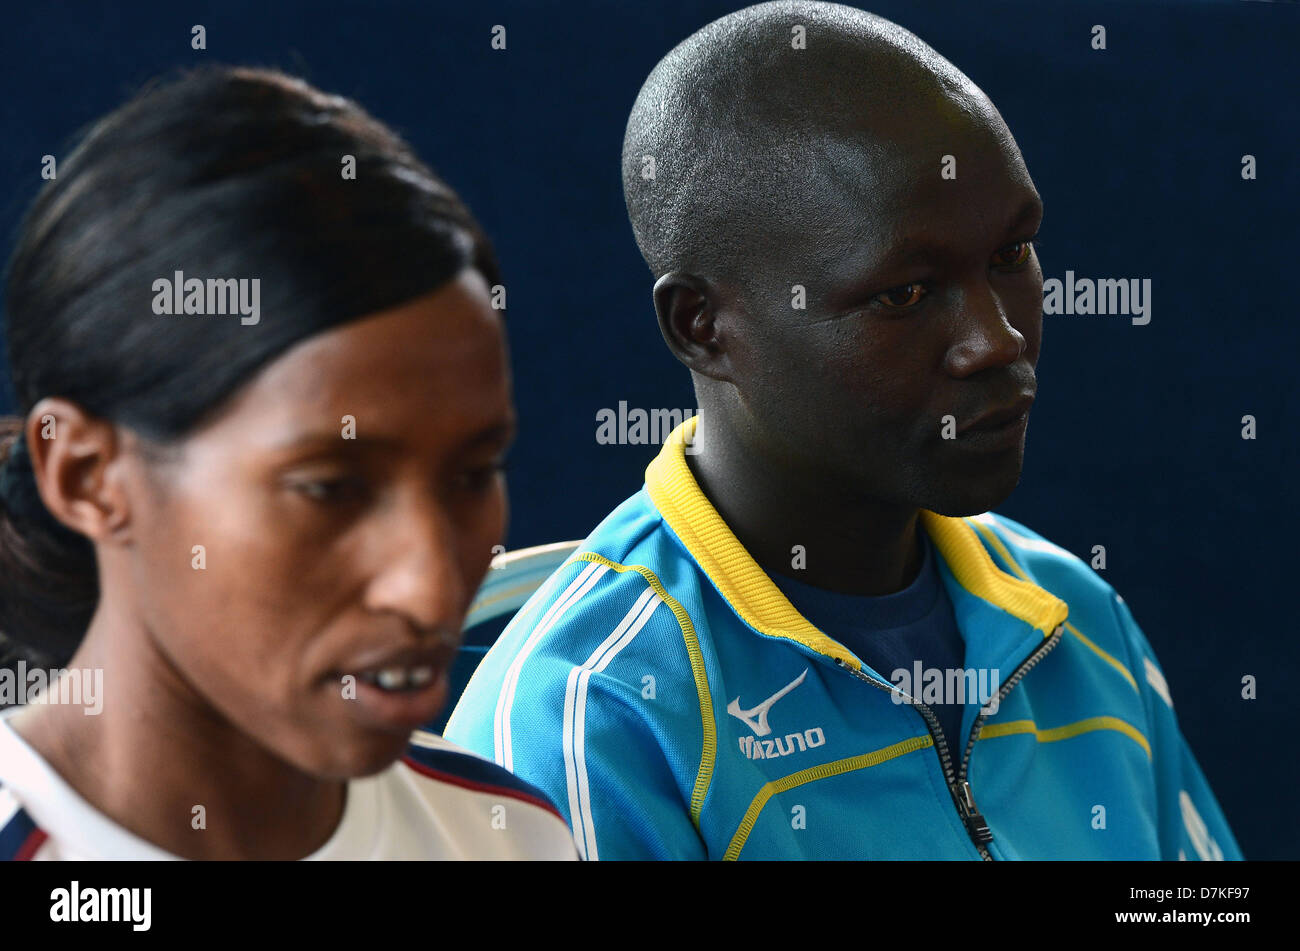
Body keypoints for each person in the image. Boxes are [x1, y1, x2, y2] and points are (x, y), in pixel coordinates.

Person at [443, 1, 1242, 860]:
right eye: (903, 292)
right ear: (702, 327)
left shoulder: (1079, 622)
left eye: (1010, 256)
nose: (997, 340)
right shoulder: (594, 716)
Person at [0, 66, 576, 860]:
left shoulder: (509, 836)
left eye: (472, 475)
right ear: (88, 476)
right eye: (331, 488)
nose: (431, 586)